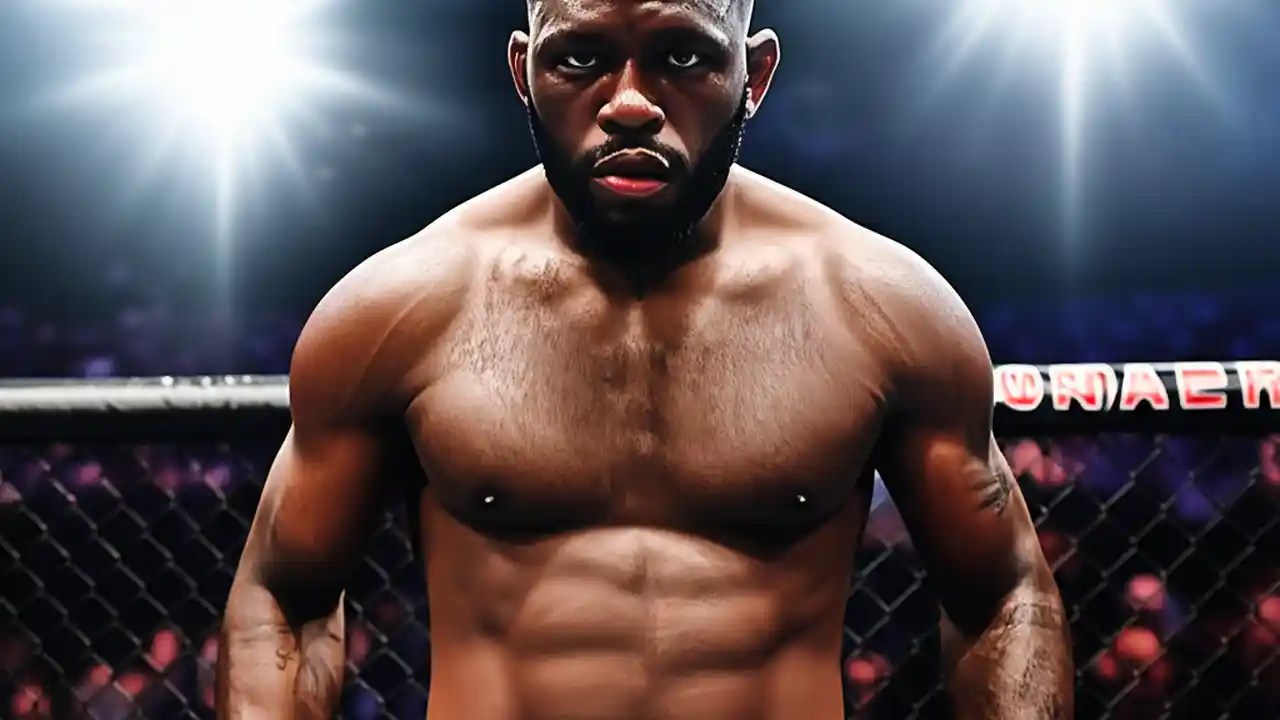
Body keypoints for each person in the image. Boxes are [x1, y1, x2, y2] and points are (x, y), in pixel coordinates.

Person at [217, 1, 1072, 717]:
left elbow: (1004, 594)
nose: (628, 103)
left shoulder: (883, 307)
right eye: (580, 56)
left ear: (754, 75)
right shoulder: (399, 309)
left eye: (683, 56)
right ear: (523, 72)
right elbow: (282, 600)